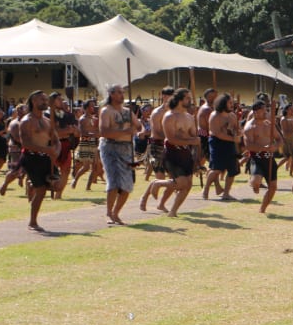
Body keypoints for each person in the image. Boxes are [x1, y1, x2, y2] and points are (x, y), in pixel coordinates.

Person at [141, 88, 199, 218]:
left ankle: (172, 211)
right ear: (179, 100)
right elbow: (171, 138)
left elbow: (193, 136)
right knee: (178, 182)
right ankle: (156, 184)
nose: (190, 101)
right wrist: (191, 139)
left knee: (187, 185)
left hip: (185, 153)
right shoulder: (168, 116)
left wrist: (195, 140)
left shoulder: (189, 117)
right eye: (187, 98)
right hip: (169, 151)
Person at [99, 84, 142, 225]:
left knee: (127, 184)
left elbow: (139, 126)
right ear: (111, 94)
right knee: (115, 181)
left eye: (123, 92)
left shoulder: (127, 111)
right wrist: (124, 132)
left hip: (127, 148)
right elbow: (104, 131)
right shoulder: (106, 111)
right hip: (111, 147)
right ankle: (109, 212)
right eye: (119, 93)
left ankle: (116, 213)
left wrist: (135, 127)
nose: (122, 95)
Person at [19, 91, 60, 232]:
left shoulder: (48, 121)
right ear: (33, 102)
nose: (45, 102)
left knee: (57, 185)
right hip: (32, 157)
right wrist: (45, 149)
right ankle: (33, 222)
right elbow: (25, 143)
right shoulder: (26, 121)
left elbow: (56, 140)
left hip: (47, 158)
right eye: (41, 99)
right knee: (41, 190)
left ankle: (32, 183)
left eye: (45, 99)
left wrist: (56, 151)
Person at [242, 99, 283, 214]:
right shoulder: (249, 127)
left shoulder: (269, 125)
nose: (266, 113)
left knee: (273, 187)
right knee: (256, 181)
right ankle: (255, 183)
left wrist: (275, 146)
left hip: (269, 158)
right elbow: (248, 146)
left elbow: (280, 140)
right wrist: (264, 148)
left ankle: (262, 209)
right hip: (257, 158)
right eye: (263, 111)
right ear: (255, 112)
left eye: (266, 110)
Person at [203, 93, 242, 201]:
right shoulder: (215, 115)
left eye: (232, 103)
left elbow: (236, 129)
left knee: (232, 169)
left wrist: (239, 133)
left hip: (230, 144)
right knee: (216, 169)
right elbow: (217, 133)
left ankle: (226, 193)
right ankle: (206, 190)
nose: (232, 105)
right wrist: (234, 139)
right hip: (217, 144)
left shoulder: (232, 116)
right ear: (223, 103)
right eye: (230, 103)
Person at [71, 100, 102, 189]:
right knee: (86, 167)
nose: (94, 108)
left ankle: (88, 186)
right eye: (92, 106)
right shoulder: (82, 119)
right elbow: (82, 132)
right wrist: (94, 134)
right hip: (85, 143)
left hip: (93, 143)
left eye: (94, 106)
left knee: (95, 167)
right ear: (87, 108)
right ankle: (75, 180)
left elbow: (97, 129)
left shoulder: (94, 119)